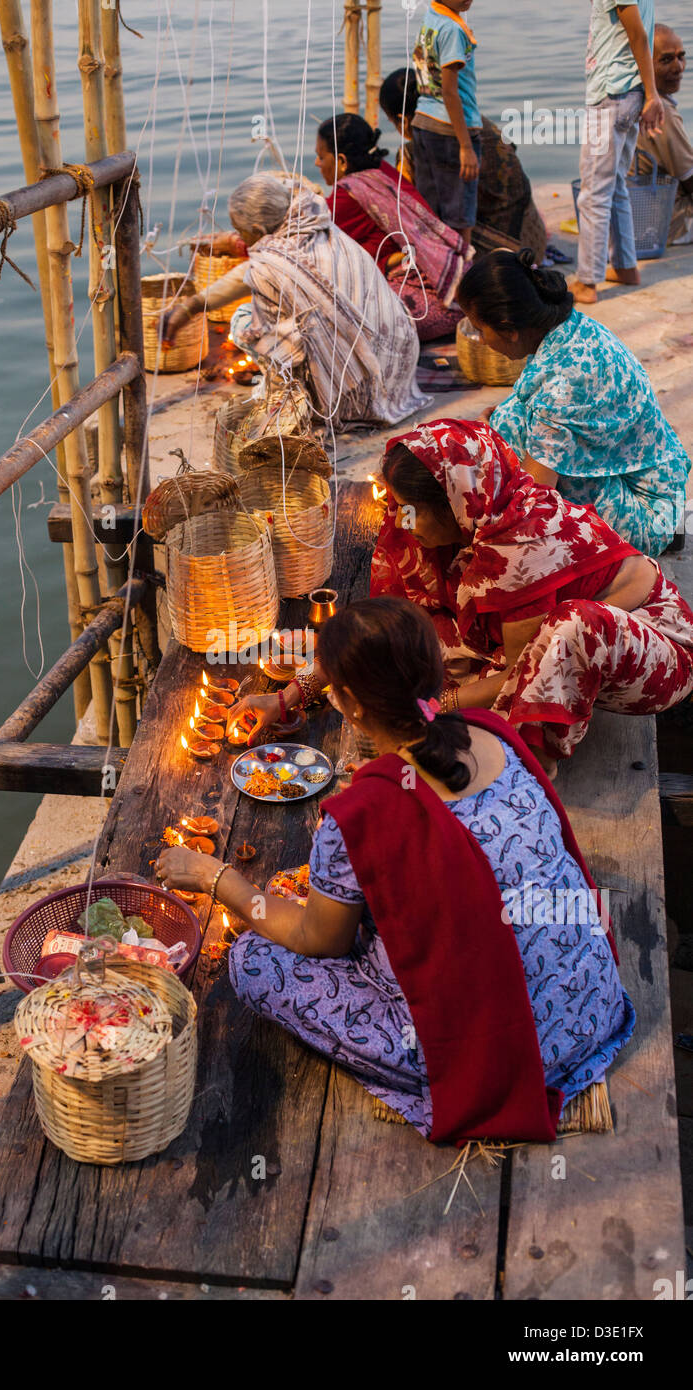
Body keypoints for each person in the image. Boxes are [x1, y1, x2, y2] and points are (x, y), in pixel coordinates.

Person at [155, 596, 635, 1144]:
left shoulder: (364, 813)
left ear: (352, 705)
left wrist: (217, 878)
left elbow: (320, 940)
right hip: (589, 1005)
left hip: (509, 1052)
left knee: (253, 961)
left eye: (330, 689)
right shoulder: (492, 733)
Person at [233, 420, 693, 773]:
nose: (401, 522)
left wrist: (435, 709)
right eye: (396, 506)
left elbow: (522, 674)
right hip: (536, 644)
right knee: (423, 637)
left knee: (569, 627)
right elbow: (381, 629)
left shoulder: (521, 547)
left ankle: (530, 771)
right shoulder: (444, 526)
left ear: (459, 503)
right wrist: (291, 695)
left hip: (651, 652)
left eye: (412, 511)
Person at [457, 249, 689, 556]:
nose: (480, 339)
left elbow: (535, 498)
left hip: (648, 511)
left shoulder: (564, 385)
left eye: (480, 329)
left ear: (510, 331)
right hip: (654, 475)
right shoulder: (566, 327)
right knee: (504, 425)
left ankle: (654, 537)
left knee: (509, 474)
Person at [160, 172, 428, 431]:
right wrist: (191, 307)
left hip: (358, 395)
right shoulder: (315, 218)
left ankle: (313, 397)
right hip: (400, 369)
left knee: (243, 320)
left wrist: (278, 414)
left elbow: (279, 349)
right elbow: (249, 271)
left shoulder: (270, 268)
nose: (240, 238)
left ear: (257, 229)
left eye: (240, 232)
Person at [314, 112, 470, 341]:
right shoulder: (384, 171)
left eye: (321, 156)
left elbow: (308, 241)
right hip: (451, 288)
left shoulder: (348, 196)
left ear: (342, 161)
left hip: (424, 299)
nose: (317, 163)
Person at [380, 65, 548, 262]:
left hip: (506, 260)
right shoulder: (471, 118)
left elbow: (416, 215)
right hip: (533, 239)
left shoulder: (414, 153)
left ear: (403, 120)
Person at [571, 0, 664, 305]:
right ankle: (625, 266)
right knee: (615, 184)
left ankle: (587, 281)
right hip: (628, 93)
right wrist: (647, 93)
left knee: (594, 191)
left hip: (612, 94)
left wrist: (653, 95)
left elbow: (638, 34)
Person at [411, 0, 482, 248]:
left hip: (424, 122)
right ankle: (461, 276)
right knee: (460, 217)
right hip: (450, 130)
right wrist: (465, 146)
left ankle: (438, 271)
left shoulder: (432, 17)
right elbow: (450, 92)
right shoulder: (452, 29)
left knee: (431, 211)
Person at [636, 23, 693, 245]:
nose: (678, 67)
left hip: (638, 215)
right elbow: (689, 179)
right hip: (661, 224)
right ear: (643, 64)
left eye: (681, 57)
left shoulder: (633, 100)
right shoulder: (660, 112)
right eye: (666, 60)